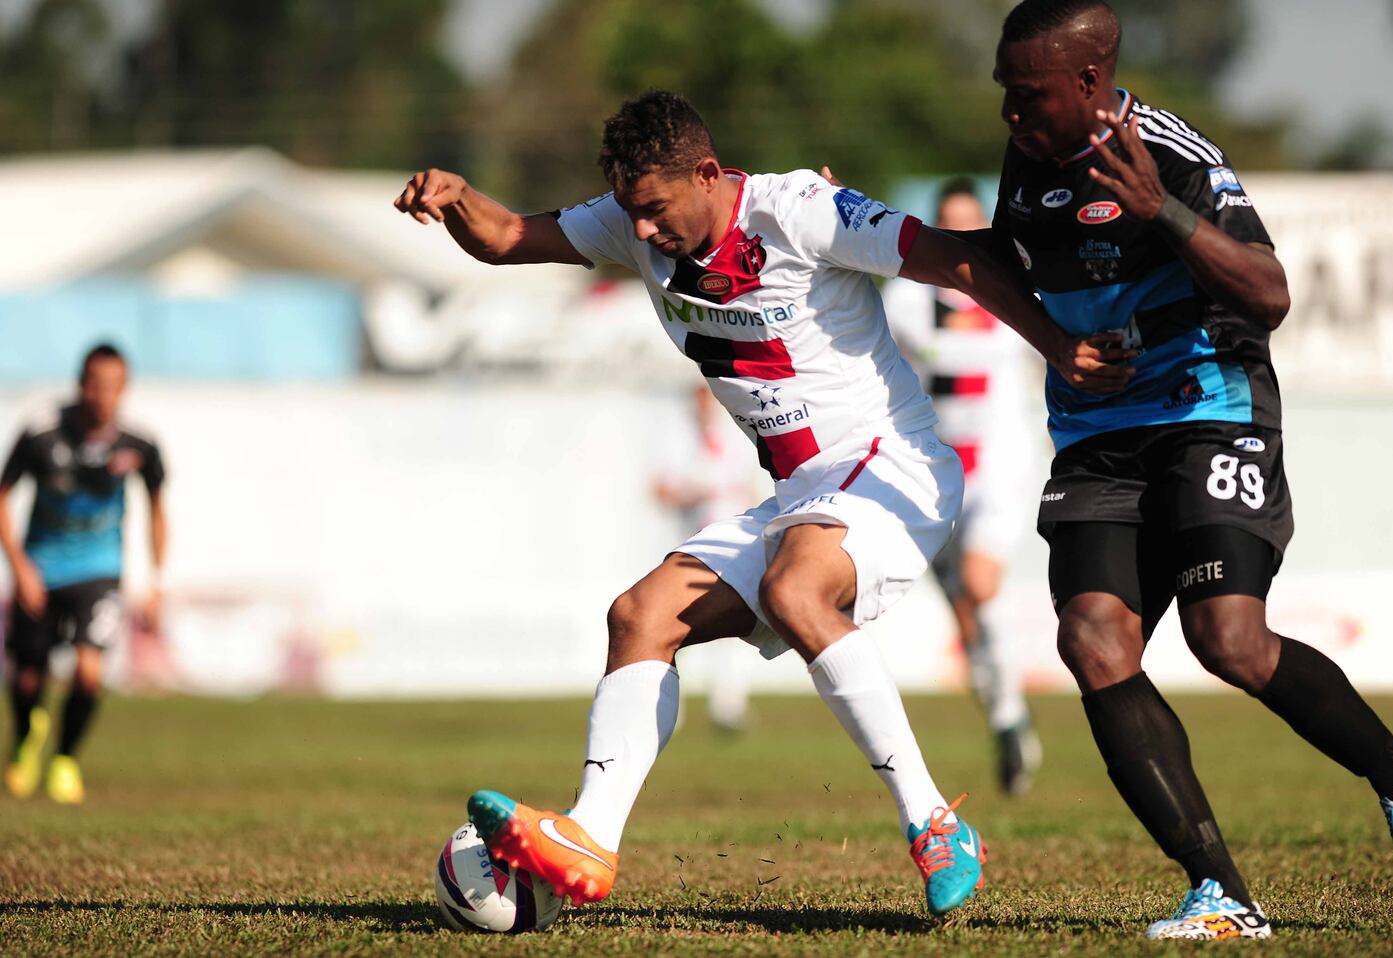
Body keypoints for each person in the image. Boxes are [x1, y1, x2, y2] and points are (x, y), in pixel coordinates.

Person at [394, 89, 1125, 918]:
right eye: (630, 212)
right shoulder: (633, 220)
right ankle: (591, 836)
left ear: (707, 174)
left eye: (654, 210)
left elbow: (956, 257)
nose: (639, 232)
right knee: (639, 616)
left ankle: (933, 821)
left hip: (894, 466)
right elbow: (506, 237)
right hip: (807, 494)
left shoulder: (800, 211)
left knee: (795, 588)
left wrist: (1060, 346)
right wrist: (457, 200)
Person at [979, 0, 1393, 939]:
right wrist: (1058, 347)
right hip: (1097, 433)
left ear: (1089, 84)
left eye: (1027, 96)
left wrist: (1164, 213)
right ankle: (1221, 892)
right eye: (1005, 95)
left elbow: (1270, 294)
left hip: (1208, 412)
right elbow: (1003, 268)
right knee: (1092, 640)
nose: (1010, 115)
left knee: (1229, 640)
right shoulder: (1028, 160)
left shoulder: (1174, 154)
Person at [883, 178, 1043, 796]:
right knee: (967, 618)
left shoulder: (1017, 289)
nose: (963, 236)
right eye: (950, 225)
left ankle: (1007, 720)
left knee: (980, 584)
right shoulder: (903, 300)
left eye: (972, 224)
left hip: (1000, 465)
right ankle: (1008, 719)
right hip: (931, 471)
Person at [1, 344, 166, 804]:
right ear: (80, 384)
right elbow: (2, 495)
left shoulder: (140, 444)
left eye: (113, 386)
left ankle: (65, 760)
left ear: (124, 389)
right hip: (41, 569)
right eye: (95, 384)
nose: (103, 395)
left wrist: (156, 581)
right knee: (29, 678)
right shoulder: (41, 433)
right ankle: (24, 740)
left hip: (99, 571)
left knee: (90, 672)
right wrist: (19, 566)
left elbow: (157, 508)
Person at [651, 384, 768, 732]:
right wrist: (694, 493)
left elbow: (749, 487)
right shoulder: (675, 439)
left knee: (734, 628)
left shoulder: (734, 438)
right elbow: (660, 489)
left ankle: (727, 706)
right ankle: (667, 709)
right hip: (688, 547)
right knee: (675, 625)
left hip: (732, 550)